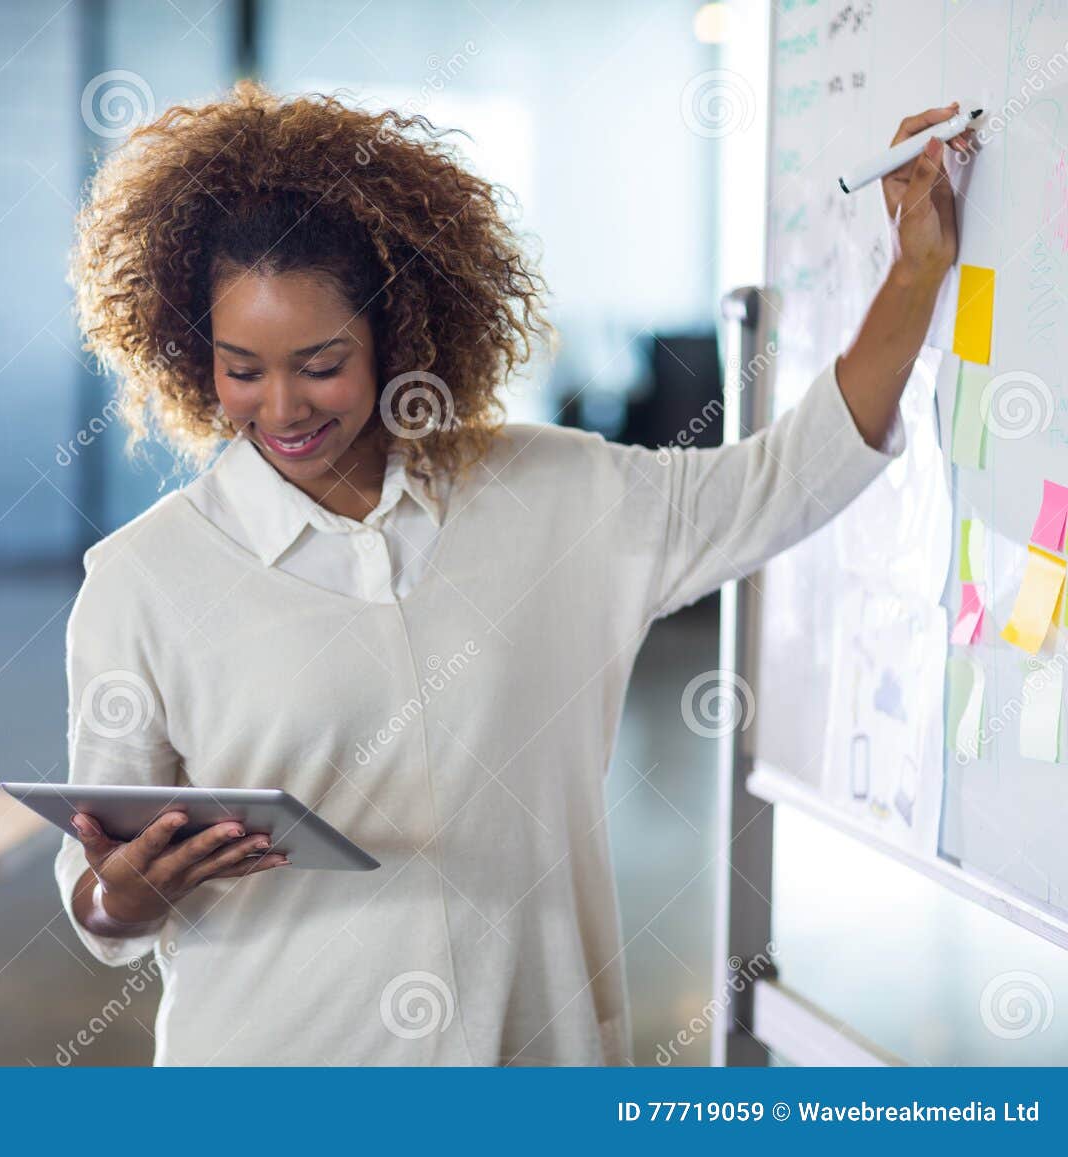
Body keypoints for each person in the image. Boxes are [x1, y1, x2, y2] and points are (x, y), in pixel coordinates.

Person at [56, 82, 973, 1065]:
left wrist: (916, 272)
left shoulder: (553, 496)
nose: (280, 406)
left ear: (394, 331)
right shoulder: (141, 579)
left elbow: (786, 479)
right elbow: (96, 873)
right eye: (242, 366)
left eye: (320, 361)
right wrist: (119, 893)